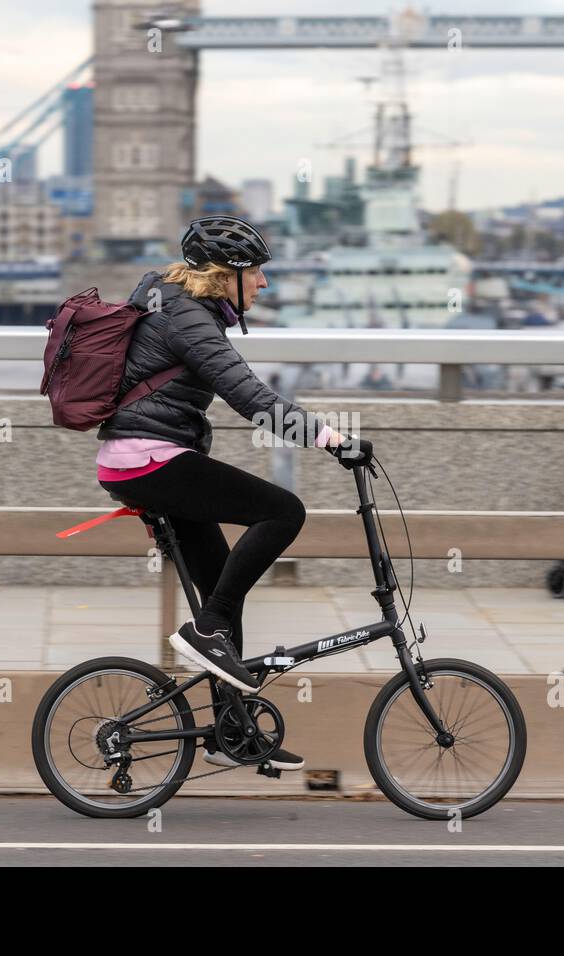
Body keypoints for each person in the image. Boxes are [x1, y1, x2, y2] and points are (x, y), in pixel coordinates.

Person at [95, 215, 369, 772]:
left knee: (225, 588)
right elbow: (251, 397)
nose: (264, 284)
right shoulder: (187, 318)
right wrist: (330, 438)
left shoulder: (175, 305)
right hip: (148, 462)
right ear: (226, 274)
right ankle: (207, 632)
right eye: (257, 272)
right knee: (283, 510)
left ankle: (231, 728)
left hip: (145, 460)